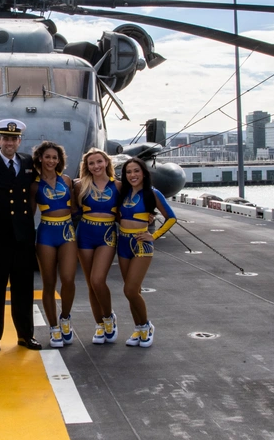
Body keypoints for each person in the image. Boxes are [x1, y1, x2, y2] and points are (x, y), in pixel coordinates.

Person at [0, 119, 41, 353]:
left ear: (19, 140)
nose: (10, 142)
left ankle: (25, 335)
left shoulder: (28, 162)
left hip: (23, 235)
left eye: (14, 139)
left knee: (24, 287)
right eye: (6, 138)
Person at [117, 158, 176, 348]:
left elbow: (171, 218)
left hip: (141, 244)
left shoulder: (152, 193)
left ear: (143, 173)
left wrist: (154, 235)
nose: (132, 175)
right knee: (133, 291)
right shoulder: (122, 193)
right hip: (123, 243)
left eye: (136, 171)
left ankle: (146, 326)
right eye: (128, 172)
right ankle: (138, 329)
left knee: (130, 290)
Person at [30, 141, 78, 348]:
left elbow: (77, 207)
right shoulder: (34, 184)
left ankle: (65, 318)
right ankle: (53, 327)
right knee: (48, 283)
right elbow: (30, 214)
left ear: (59, 161)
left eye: (55, 158)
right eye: (47, 157)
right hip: (46, 233)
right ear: (40, 158)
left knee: (68, 279)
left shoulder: (67, 181)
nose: (51, 161)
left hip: (67, 232)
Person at [74, 148, 120, 345]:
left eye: (99, 161)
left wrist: (148, 215)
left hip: (107, 235)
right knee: (91, 284)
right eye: (91, 163)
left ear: (106, 163)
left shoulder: (118, 185)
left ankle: (109, 318)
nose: (96, 166)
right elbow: (72, 210)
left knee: (98, 279)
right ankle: (99, 324)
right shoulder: (79, 185)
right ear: (87, 167)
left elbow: (130, 206)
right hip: (84, 234)